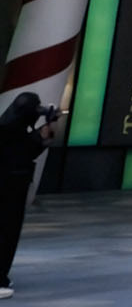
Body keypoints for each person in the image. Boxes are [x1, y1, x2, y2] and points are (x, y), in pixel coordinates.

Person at [0, 93, 53, 299]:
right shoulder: (8, 132)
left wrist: (49, 121)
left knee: (9, 233)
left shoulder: (14, 130)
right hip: (8, 189)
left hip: (15, 188)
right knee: (6, 233)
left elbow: (37, 145)